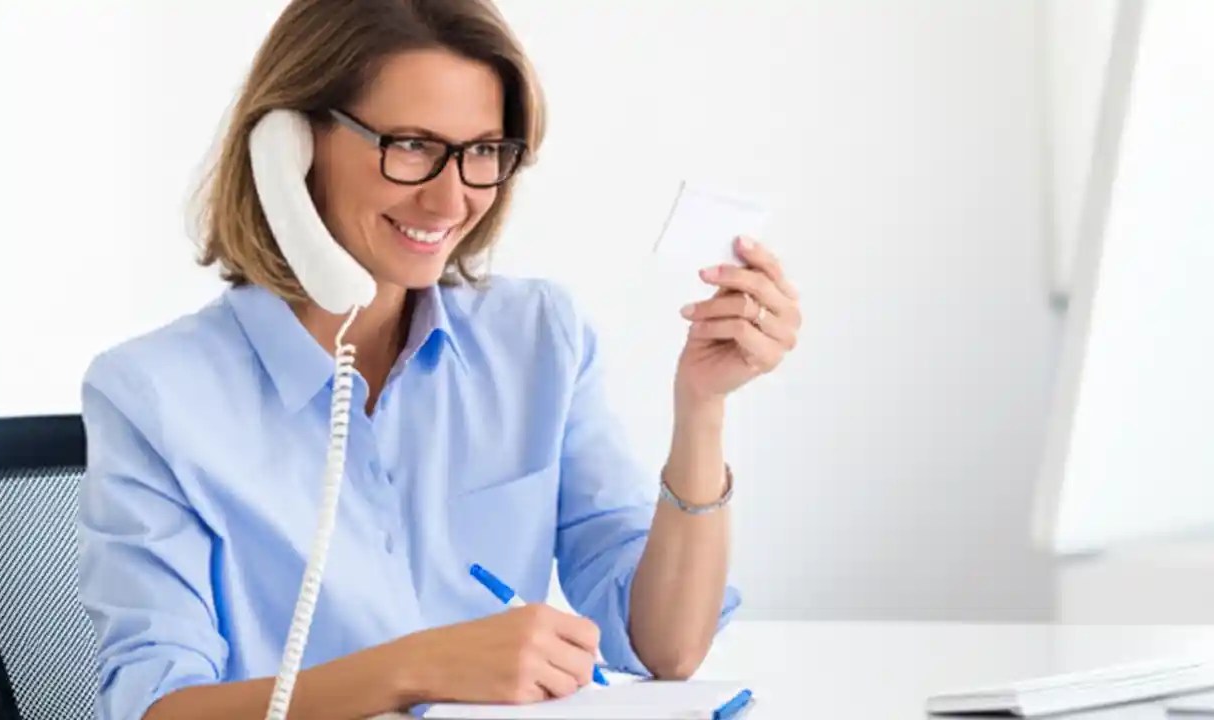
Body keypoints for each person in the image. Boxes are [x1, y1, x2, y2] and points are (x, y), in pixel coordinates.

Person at [77, 0, 802, 718]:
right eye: (413, 145)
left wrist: (703, 408)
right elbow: (155, 708)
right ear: (288, 145)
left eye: (484, 151)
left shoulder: (539, 339)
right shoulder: (153, 394)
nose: (450, 199)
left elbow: (665, 648)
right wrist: (418, 668)